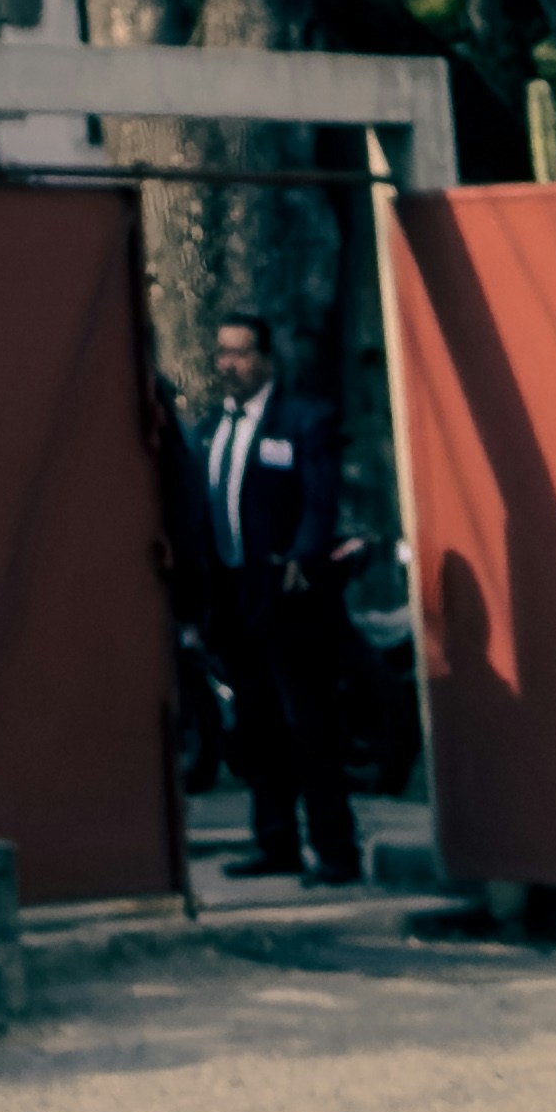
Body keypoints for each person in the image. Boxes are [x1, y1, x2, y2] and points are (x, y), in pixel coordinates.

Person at [196, 295, 360, 880]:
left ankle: (336, 850)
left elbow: (320, 500)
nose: (228, 365)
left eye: (239, 354)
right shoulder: (211, 427)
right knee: (257, 723)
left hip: (287, 592)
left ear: (265, 359)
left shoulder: (302, 420)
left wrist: (303, 556)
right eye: (222, 353)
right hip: (233, 594)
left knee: (307, 722)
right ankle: (275, 841)